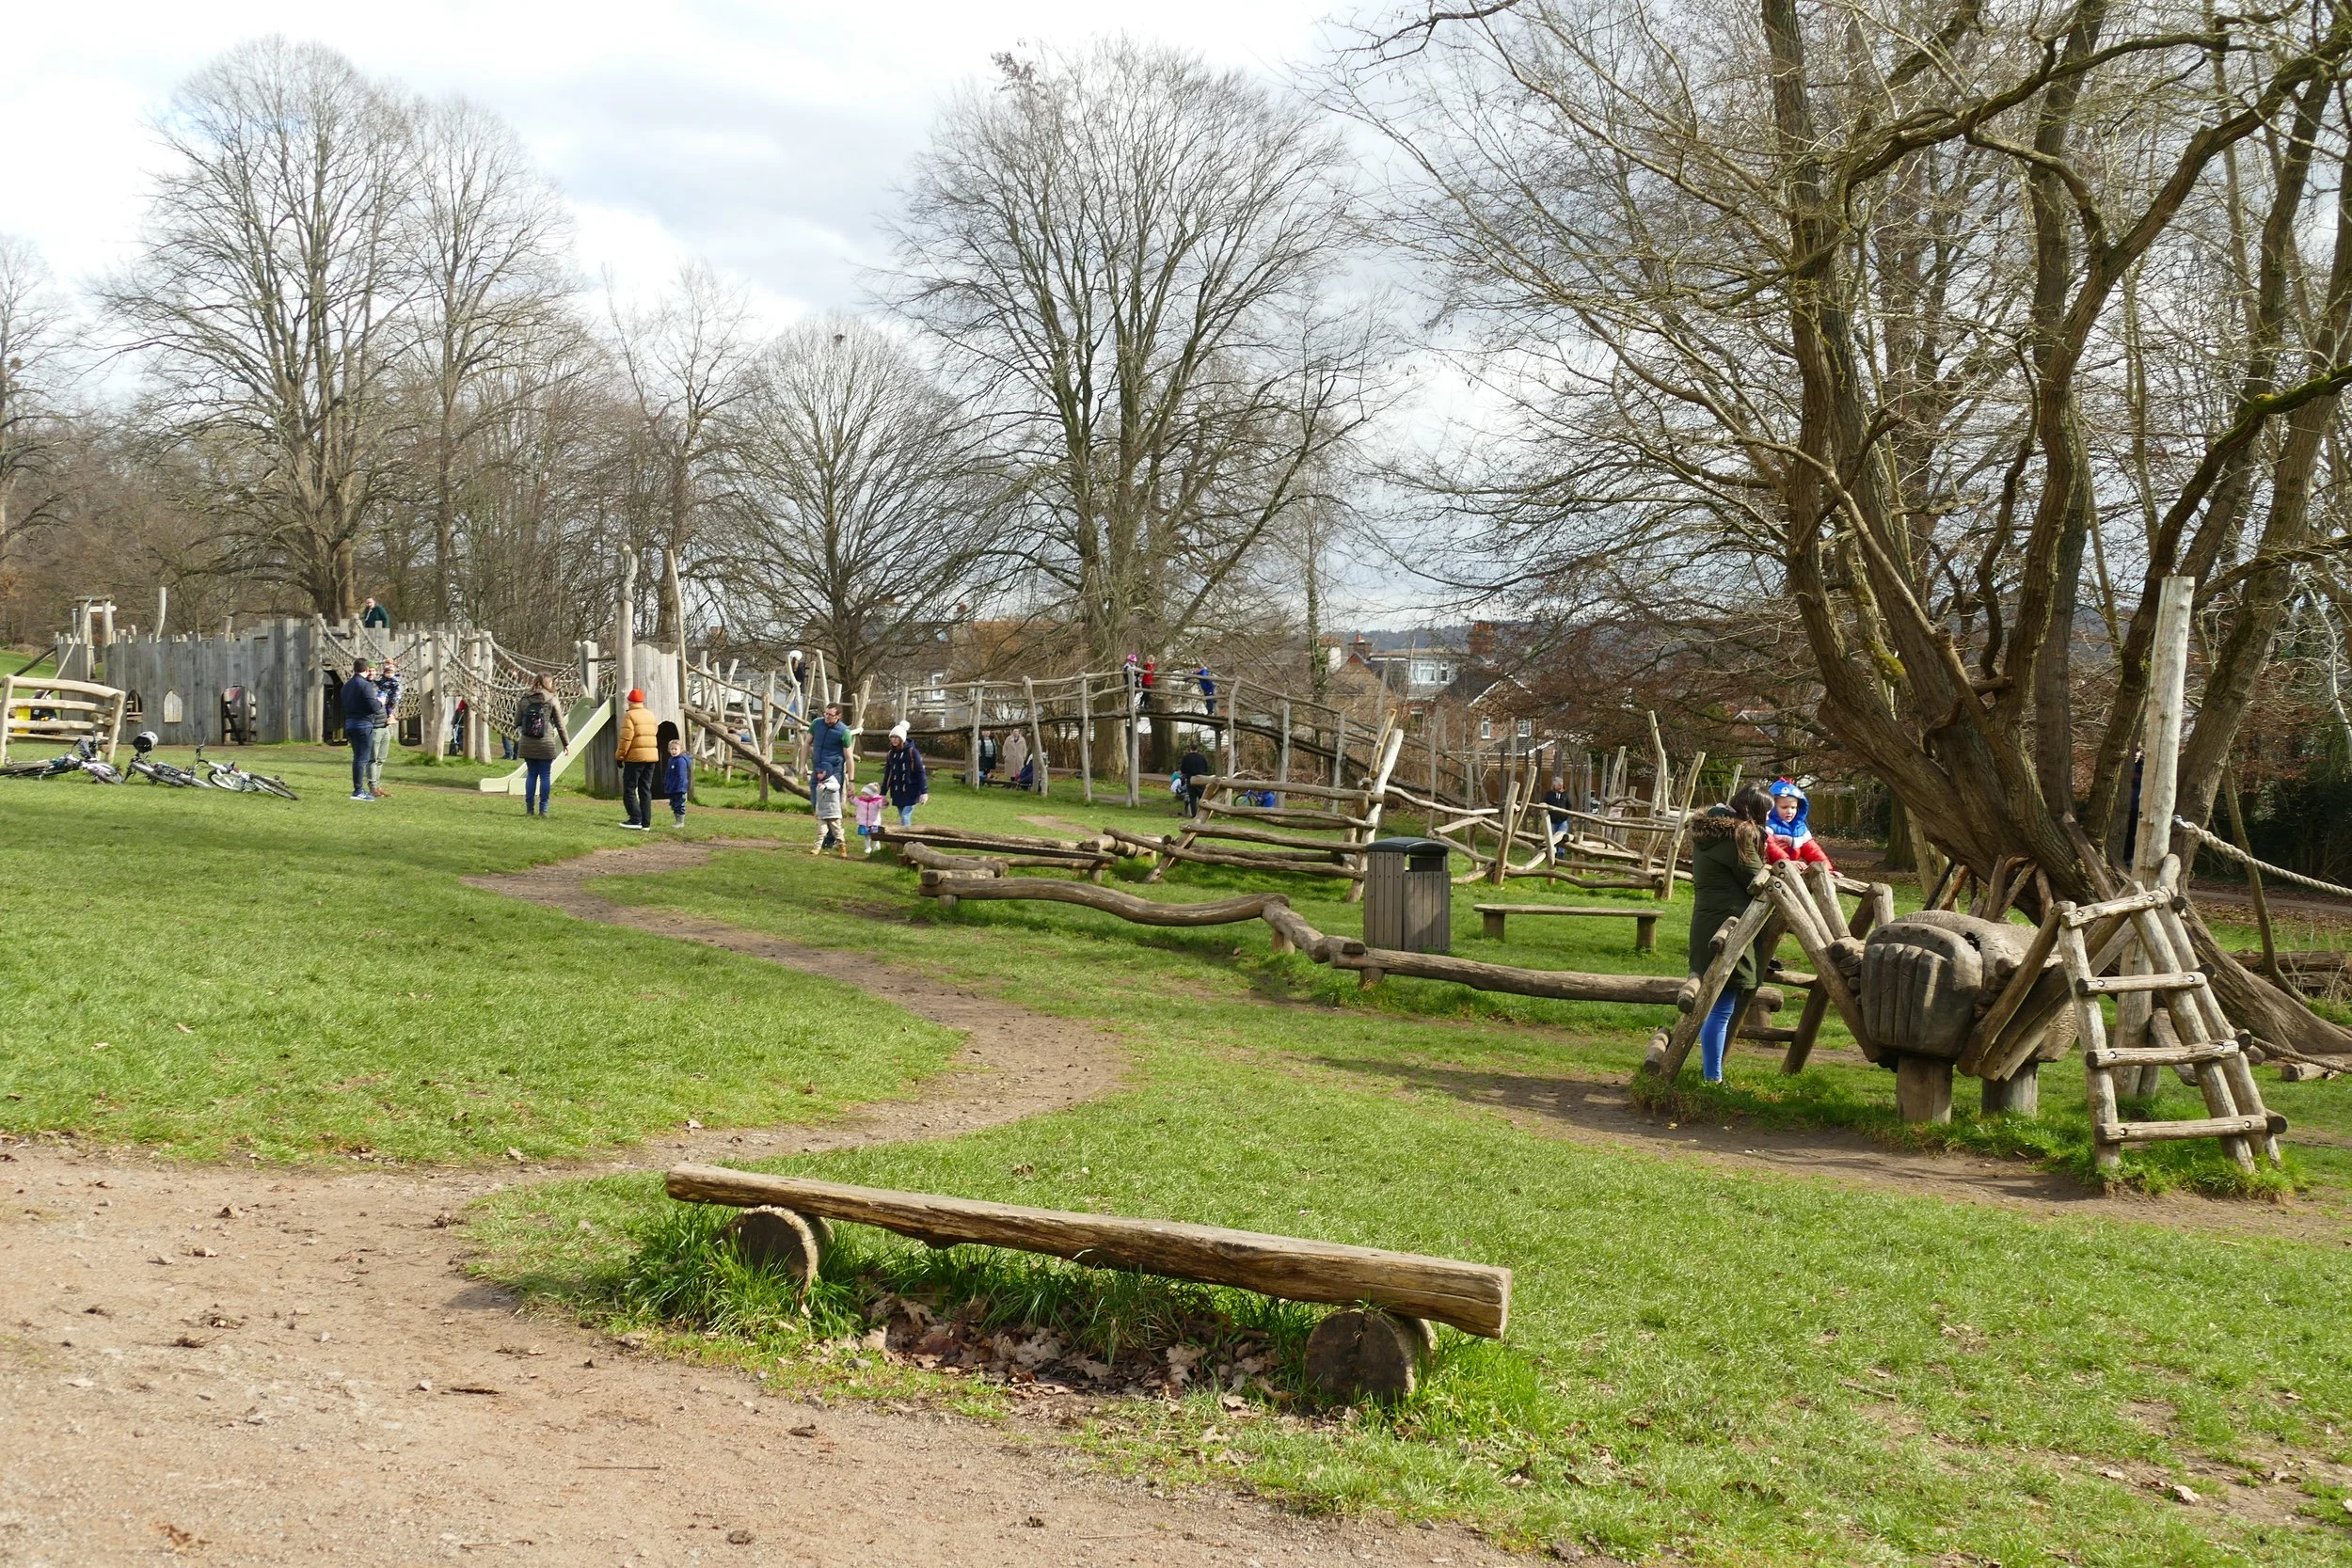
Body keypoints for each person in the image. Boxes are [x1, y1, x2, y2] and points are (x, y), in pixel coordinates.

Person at [1686, 785, 1773, 1085]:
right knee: (1722, 1007)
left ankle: (1710, 1075)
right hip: (1729, 927)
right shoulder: (1738, 836)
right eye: (1767, 812)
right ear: (1755, 811)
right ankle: (1713, 1079)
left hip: (1706, 922)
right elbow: (1757, 878)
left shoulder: (1710, 832)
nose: (1769, 818)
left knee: (1716, 1003)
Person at [514, 676, 568, 817]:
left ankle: (529, 809)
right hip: (546, 742)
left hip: (528, 742)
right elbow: (560, 724)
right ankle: (543, 809)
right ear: (548, 683)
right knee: (545, 775)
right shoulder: (552, 699)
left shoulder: (525, 699)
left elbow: (517, 722)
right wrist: (566, 743)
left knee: (531, 774)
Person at [1764, 779, 1835, 871]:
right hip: (1771, 869)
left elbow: (1812, 851)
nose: (1790, 811)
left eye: (1793, 807)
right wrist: (1787, 862)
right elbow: (1770, 846)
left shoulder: (1800, 828)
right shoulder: (1768, 825)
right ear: (1772, 807)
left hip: (1791, 869)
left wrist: (1827, 869)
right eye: (1784, 807)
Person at [614, 688, 659, 831]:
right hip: (651, 757)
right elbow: (655, 731)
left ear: (629, 701)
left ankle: (635, 819)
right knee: (645, 789)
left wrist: (620, 756)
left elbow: (626, 739)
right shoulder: (650, 715)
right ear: (642, 701)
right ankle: (646, 823)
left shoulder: (630, 715)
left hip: (635, 758)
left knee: (629, 789)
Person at [341, 658, 384, 802]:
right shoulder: (365, 685)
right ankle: (358, 790)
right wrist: (381, 702)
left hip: (350, 724)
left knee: (357, 758)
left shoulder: (347, 685)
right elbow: (374, 707)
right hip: (363, 725)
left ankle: (358, 789)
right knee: (362, 759)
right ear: (366, 670)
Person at [365, 658, 404, 797]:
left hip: (384, 724)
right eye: (369, 671)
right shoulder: (364, 686)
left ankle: (377, 786)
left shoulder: (378, 684)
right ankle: (373, 786)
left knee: (381, 759)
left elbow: (393, 683)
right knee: (373, 758)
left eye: (373, 671)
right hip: (374, 726)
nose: (371, 673)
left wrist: (391, 666)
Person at [881, 721, 929, 826]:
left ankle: (906, 834)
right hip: (897, 791)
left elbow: (920, 772)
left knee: (905, 816)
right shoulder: (891, 754)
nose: (894, 740)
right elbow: (888, 774)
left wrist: (924, 792)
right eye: (892, 737)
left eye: (896, 737)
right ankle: (904, 834)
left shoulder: (912, 752)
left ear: (902, 738)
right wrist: (883, 792)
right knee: (902, 815)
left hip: (911, 791)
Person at [809, 703, 852, 787]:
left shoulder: (844, 732)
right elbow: (807, 743)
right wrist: (803, 766)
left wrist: (851, 780)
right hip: (818, 770)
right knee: (815, 795)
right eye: (826, 713)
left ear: (838, 716)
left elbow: (849, 757)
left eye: (830, 715)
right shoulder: (816, 723)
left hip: (834, 772)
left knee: (831, 795)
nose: (827, 716)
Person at [810, 768, 847, 855]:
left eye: (821, 773)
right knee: (821, 831)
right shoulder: (819, 785)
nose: (818, 775)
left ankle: (842, 847)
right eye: (817, 773)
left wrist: (826, 786)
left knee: (837, 832)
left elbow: (836, 786)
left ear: (826, 773)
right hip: (822, 813)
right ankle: (816, 848)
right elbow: (818, 800)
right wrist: (817, 811)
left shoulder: (833, 781)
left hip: (833, 813)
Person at [663, 735, 692, 828]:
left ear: (681, 749)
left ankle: (680, 821)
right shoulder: (671, 760)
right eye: (671, 749)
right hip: (672, 787)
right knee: (673, 804)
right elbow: (668, 773)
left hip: (679, 787)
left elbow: (681, 775)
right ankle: (677, 820)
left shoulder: (680, 761)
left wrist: (680, 787)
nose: (673, 751)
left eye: (675, 749)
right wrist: (666, 783)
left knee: (679, 804)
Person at [1178, 743, 1210, 817]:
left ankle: (1194, 814)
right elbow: (1206, 769)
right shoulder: (1202, 758)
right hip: (1201, 779)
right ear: (1197, 748)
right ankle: (1202, 813)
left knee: (1192, 798)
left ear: (1190, 748)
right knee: (1202, 797)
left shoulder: (1186, 758)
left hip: (1191, 779)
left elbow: (1183, 770)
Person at [1543, 777, 1574, 848]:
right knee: (1553, 837)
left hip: (1563, 820)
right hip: (1552, 821)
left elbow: (1569, 806)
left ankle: (1561, 852)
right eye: (1559, 785)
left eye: (1561, 785)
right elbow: (1544, 804)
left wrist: (1566, 816)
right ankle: (1553, 851)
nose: (1561, 787)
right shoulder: (1549, 795)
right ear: (1554, 785)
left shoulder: (1565, 795)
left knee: (1562, 836)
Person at [855, 781, 885, 853]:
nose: (864, 796)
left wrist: (885, 803)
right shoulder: (860, 800)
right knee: (867, 836)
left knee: (875, 836)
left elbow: (882, 806)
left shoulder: (877, 801)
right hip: (864, 822)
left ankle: (876, 847)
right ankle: (868, 847)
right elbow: (854, 801)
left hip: (874, 822)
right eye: (863, 794)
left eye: (866, 794)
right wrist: (850, 796)